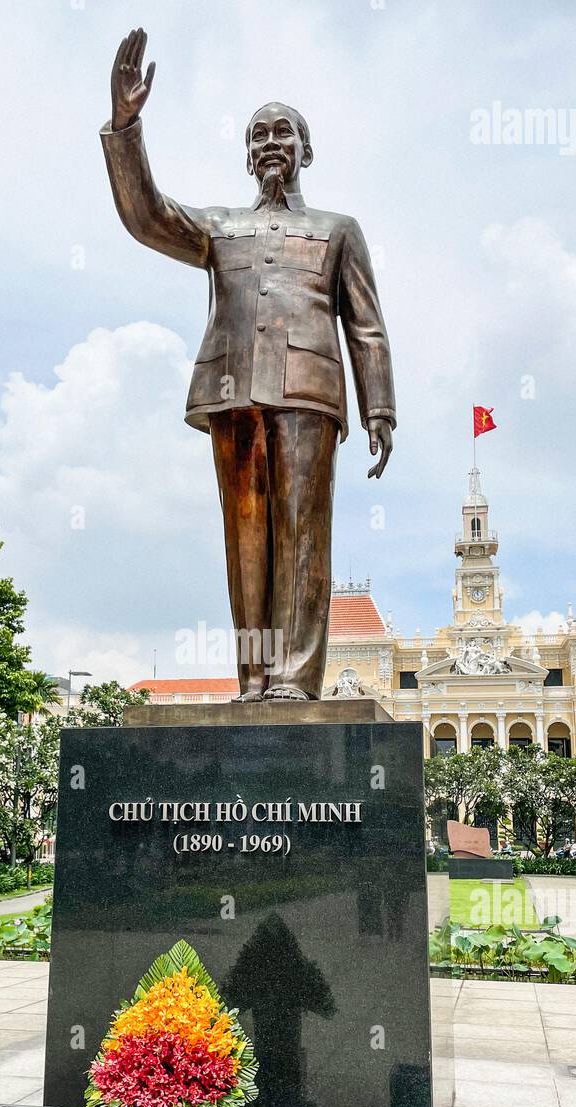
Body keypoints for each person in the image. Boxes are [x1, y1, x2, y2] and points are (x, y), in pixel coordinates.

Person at [101, 29, 395, 701]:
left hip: (310, 390)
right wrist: (126, 127)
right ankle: (255, 678)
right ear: (246, 155)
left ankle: (295, 677)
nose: (269, 143)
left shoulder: (337, 228)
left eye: (282, 133)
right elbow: (145, 216)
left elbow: (367, 326)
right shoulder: (218, 227)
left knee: (300, 535)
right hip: (233, 394)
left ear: (306, 150)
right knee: (246, 540)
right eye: (257, 134)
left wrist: (379, 409)